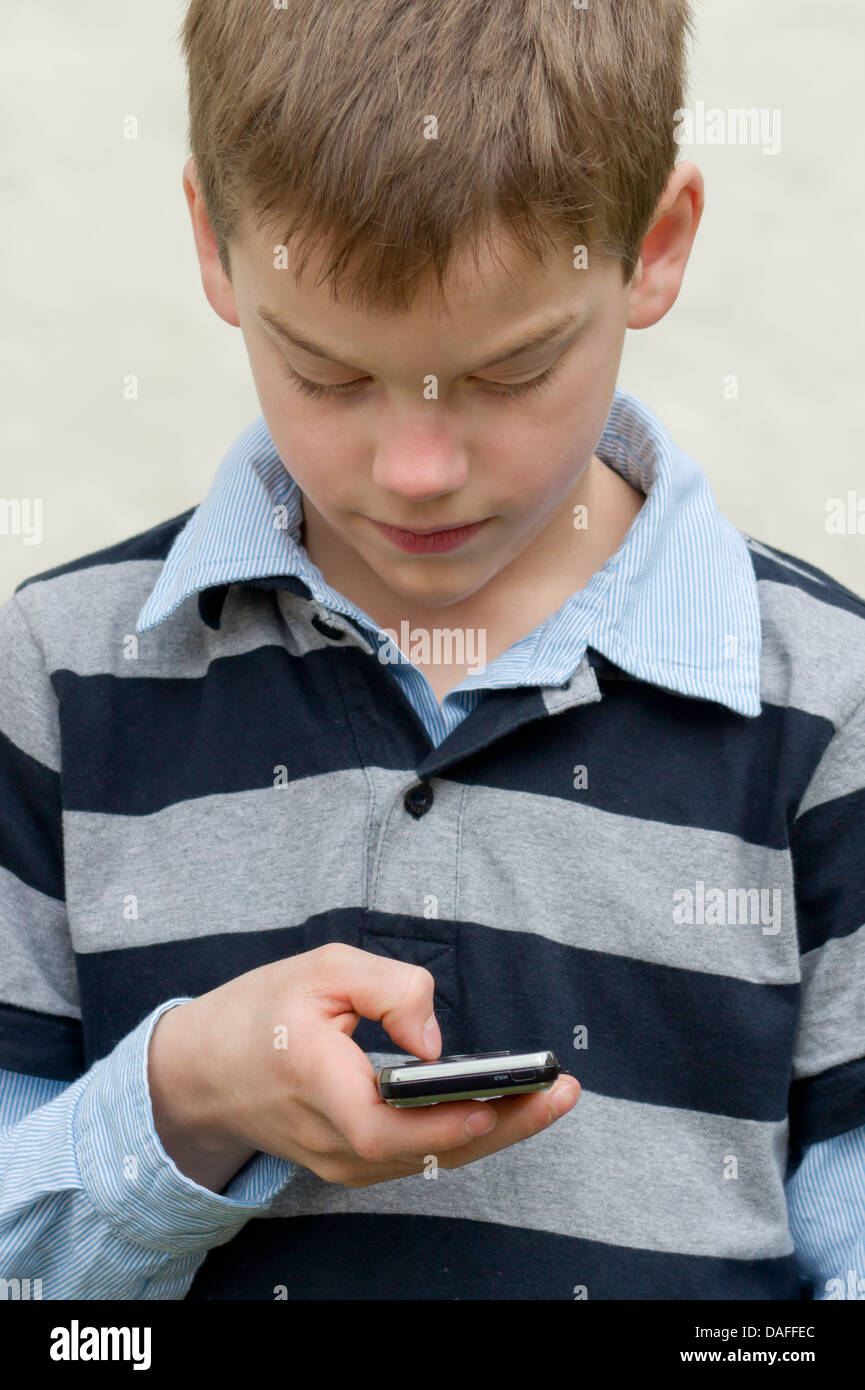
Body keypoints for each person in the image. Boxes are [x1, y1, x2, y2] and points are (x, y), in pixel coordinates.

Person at [1, 0, 863, 1301]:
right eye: (328, 372)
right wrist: (188, 1096)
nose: (415, 470)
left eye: (511, 372)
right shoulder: (59, 680)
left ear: (655, 243)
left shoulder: (826, 702)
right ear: (213, 246)